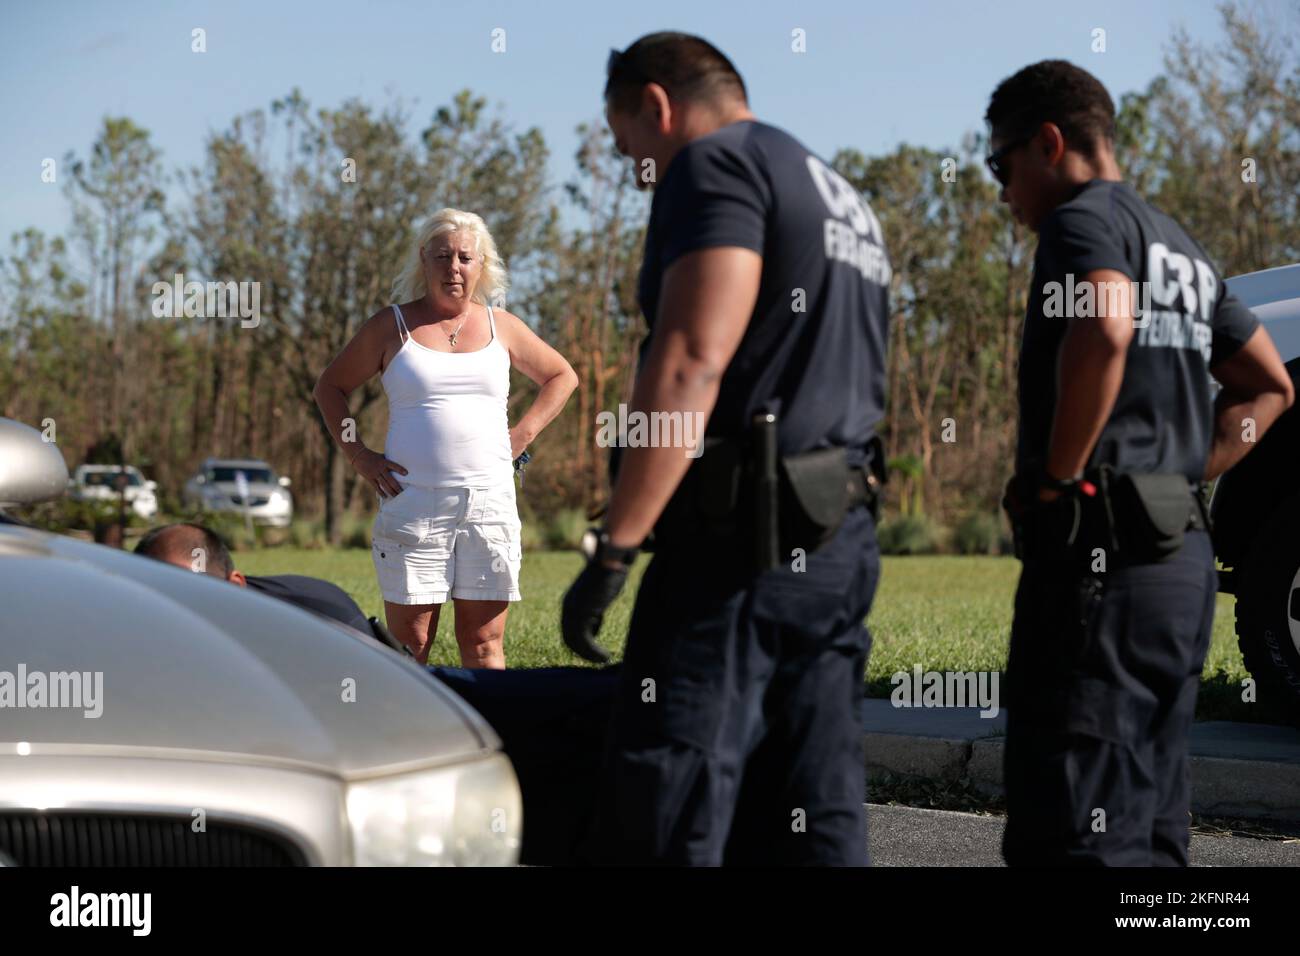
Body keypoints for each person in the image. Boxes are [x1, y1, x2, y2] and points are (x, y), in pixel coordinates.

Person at [560, 32, 892, 865]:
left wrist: (616, 552)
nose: (634, 165)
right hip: (838, 534)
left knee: (669, 796)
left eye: (626, 143)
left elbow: (690, 361)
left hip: (741, 546)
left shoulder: (713, 165)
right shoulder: (836, 188)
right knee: (811, 803)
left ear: (656, 104)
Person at [987, 60, 1294, 866]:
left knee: (1075, 823)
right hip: (1180, 565)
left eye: (1001, 164)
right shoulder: (1182, 245)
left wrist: (1056, 480)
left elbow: (1107, 327)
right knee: (1154, 824)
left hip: (1102, 567)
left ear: (1049, 142)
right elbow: (1270, 386)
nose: (1001, 191)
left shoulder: (1082, 220)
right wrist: (1190, 472)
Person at [313, 208, 578, 668]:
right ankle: (410, 737)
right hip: (412, 505)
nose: (452, 267)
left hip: (489, 505)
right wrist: (358, 455)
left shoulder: (503, 326)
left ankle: (494, 736)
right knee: (409, 648)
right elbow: (329, 388)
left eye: (463, 257)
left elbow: (562, 376)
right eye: (441, 256)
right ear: (424, 261)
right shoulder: (391, 326)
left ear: (481, 265)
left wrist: (522, 435)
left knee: (483, 644)